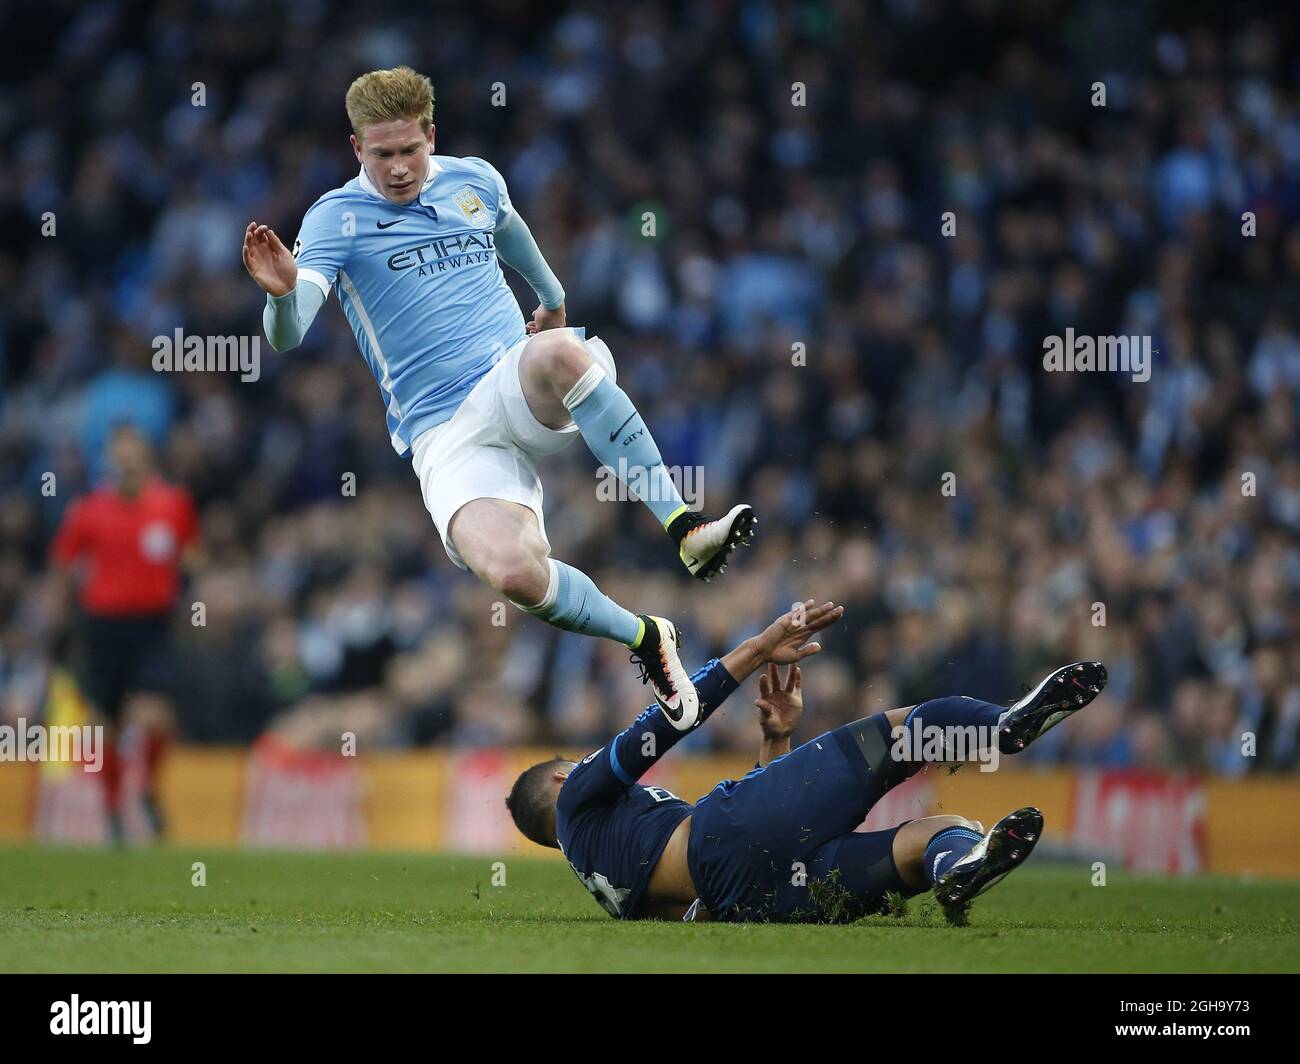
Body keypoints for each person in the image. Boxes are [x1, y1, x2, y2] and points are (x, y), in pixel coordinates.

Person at [242, 65, 756, 725]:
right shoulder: (336, 218)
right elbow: (288, 334)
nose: (398, 167)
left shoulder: (473, 179)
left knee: (561, 350)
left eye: (409, 150)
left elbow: (509, 226)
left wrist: (552, 297)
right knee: (512, 572)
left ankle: (685, 528)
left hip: (507, 377)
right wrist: (281, 296)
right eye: (381, 154)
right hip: (442, 432)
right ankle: (645, 636)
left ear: (432, 135)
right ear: (356, 150)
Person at [506, 600, 1108, 922]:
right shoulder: (580, 795)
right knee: (894, 737)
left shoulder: (604, 878)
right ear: (563, 776)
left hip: (751, 899)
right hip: (723, 837)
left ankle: (958, 869)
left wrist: (778, 740)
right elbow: (671, 717)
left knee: (927, 839)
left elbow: (711, 894)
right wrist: (758, 649)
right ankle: (1004, 728)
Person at [50, 423, 201, 839]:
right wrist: (59, 623)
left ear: (146, 456)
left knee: (155, 718)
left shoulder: (173, 504)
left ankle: (147, 789)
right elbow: (65, 566)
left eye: (134, 453)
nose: (128, 460)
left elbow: (191, 559)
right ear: (111, 460)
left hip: (153, 625)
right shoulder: (88, 510)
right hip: (103, 626)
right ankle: (113, 807)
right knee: (102, 724)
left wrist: (192, 603)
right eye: (121, 454)